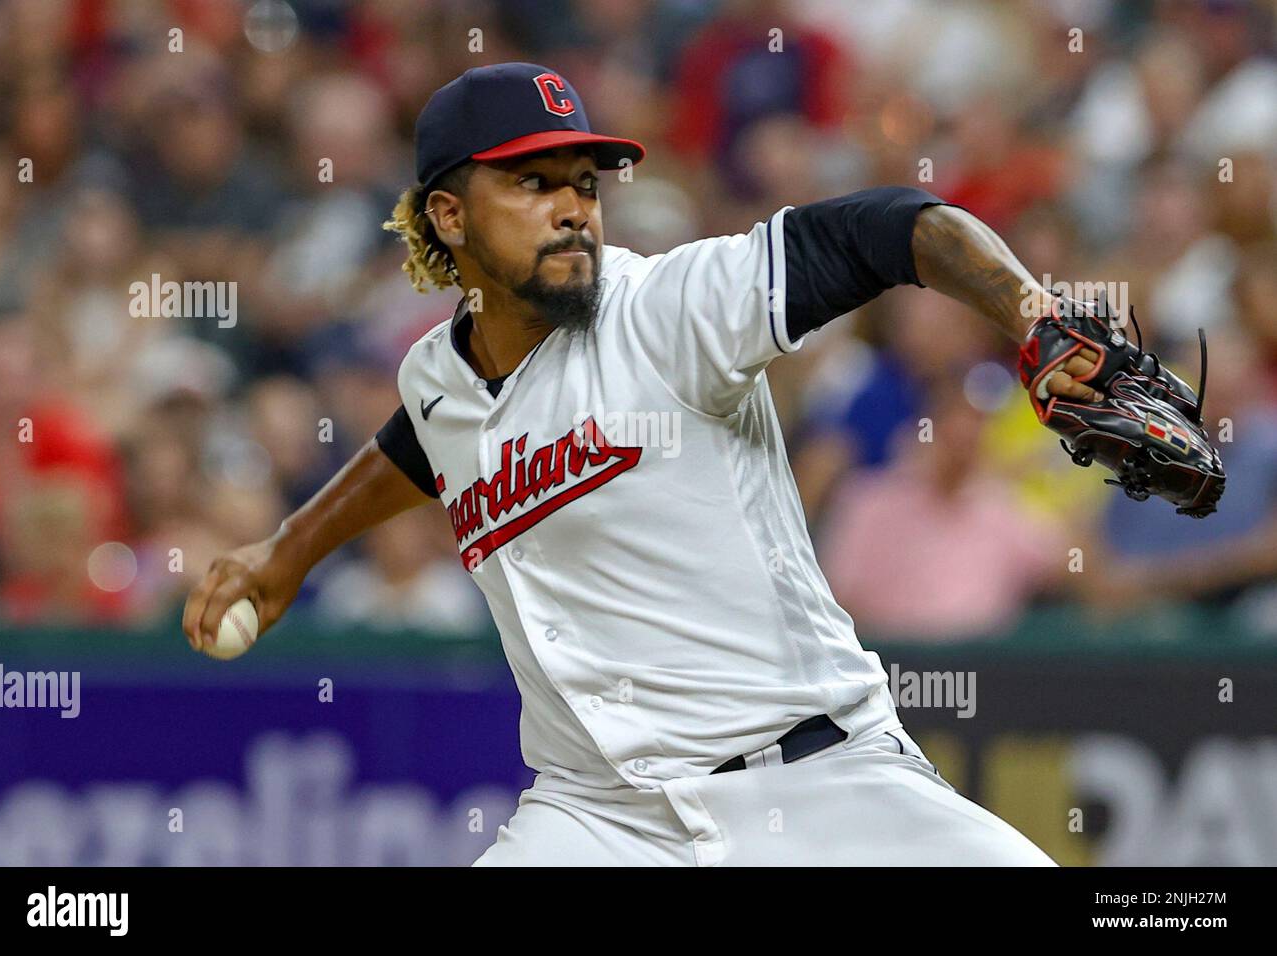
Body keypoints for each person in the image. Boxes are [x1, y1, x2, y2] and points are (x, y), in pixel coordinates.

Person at [183, 63, 1103, 866]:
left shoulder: (668, 309)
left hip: (819, 781)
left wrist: (1031, 310)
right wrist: (291, 550)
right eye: (534, 183)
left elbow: (886, 227)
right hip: (597, 816)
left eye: (583, 182)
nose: (573, 208)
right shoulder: (436, 375)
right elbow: (422, 443)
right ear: (449, 215)